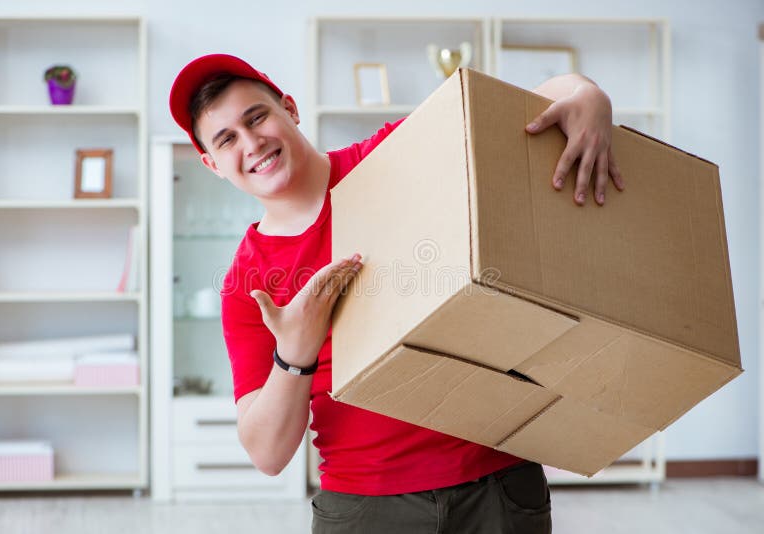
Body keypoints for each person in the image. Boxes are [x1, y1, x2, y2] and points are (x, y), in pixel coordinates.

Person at [169, 53, 623, 534]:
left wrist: (589, 95)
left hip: (497, 483)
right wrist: (295, 352)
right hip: (365, 507)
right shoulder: (248, 282)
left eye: (256, 117)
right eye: (226, 140)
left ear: (290, 108)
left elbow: (526, 101)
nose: (251, 142)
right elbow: (267, 454)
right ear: (211, 164)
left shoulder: (385, 157)